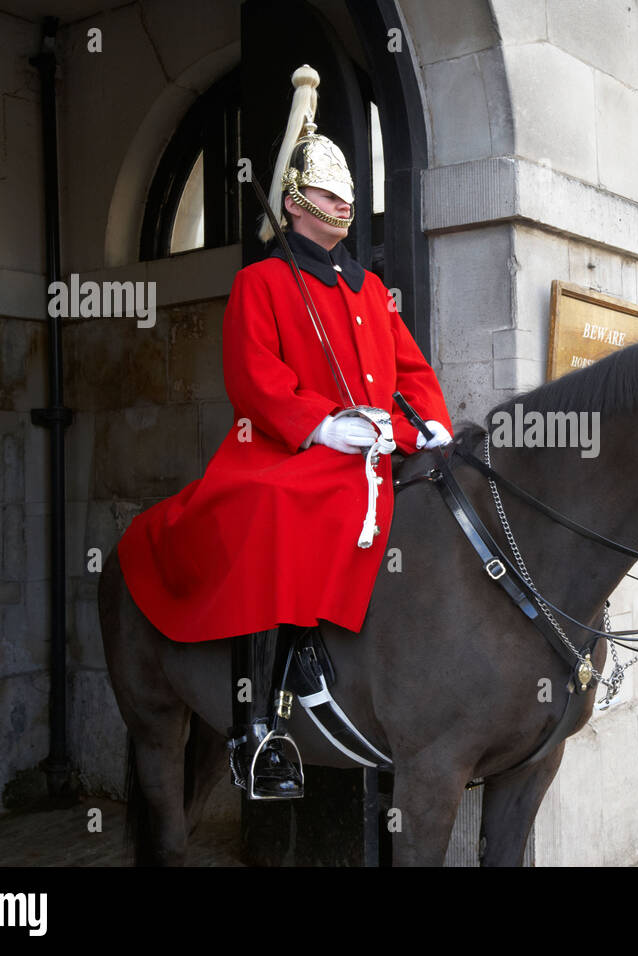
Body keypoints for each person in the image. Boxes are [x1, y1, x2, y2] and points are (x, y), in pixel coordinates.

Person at [117, 65, 454, 798]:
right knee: (274, 508)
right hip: (282, 449)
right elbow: (254, 380)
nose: (344, 207)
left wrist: (427, 424)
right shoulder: (262, 283)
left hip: (373, 450)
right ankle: (256, 723)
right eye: (331, 196)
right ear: (296, 204)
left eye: (348, 197)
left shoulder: (369, 291)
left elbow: (413, 371)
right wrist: (322, 426)